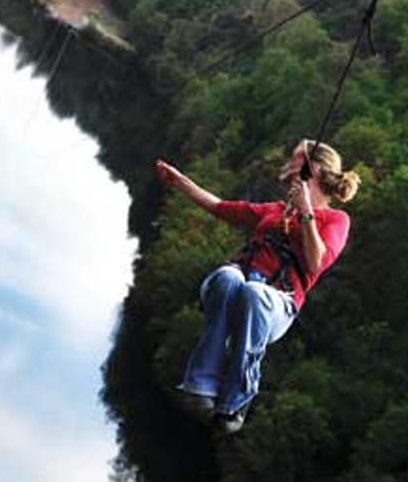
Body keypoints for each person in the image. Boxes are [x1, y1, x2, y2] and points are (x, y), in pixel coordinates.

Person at [154, 140, 360, 434]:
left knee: (255, 294)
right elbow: (219, 207)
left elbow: (316, 262)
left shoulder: (336, 219)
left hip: (276, 303)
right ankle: (200, 384)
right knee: (229, 279)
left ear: (315, 169)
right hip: (240, 284)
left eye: (296, 161)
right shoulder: (273, 211)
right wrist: (180, 181)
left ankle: (235, 401)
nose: (289, 167)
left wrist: (306, 213)